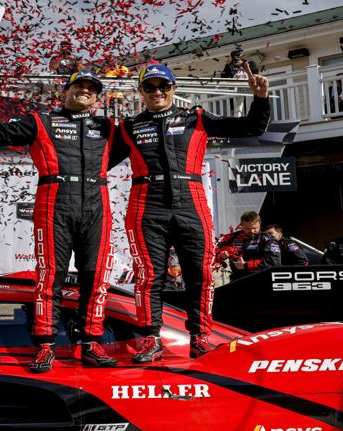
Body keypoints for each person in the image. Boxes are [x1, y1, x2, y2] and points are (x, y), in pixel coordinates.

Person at [0, 69, 127, 371]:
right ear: (65, 91)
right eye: (79, 86)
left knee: (95, 276)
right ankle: (45, 345)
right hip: (55, 201)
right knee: (50, 276)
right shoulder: (41, 121)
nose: (85, 91)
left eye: (91, 89)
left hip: (96, 204)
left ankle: (91, 343)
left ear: (97, 97)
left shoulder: (107, 127)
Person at [116, 63, 271, 361]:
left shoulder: (196, 118)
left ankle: (200, 337)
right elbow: (97, 163)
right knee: (149, 275)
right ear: (141, 92)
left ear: (174, 89)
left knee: (200, 273)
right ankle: (151, 340)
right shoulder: (129, 126)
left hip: (191, 201)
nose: (157, 92)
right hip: (146, 204)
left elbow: (250, 128)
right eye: (149, 87)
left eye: (163, 86)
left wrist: (260, 99)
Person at [241, 224, 307, 271]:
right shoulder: (266, 245)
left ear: (280, 234)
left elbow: (302, 261)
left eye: (270, 233)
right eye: (266, 234)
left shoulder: (289, 244)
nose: (268, 236)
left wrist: (289, 272)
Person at [215, 211, 262, 276]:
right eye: (248, 228)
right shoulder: (232, 237)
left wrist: (247, 264)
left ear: (259, 225)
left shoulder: (267, 239)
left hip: (260, 276)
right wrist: (221, 255)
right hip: (237, 278)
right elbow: (214, 253)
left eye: (254, 228)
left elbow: (273, 261)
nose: (252, 231)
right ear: (241, 225)